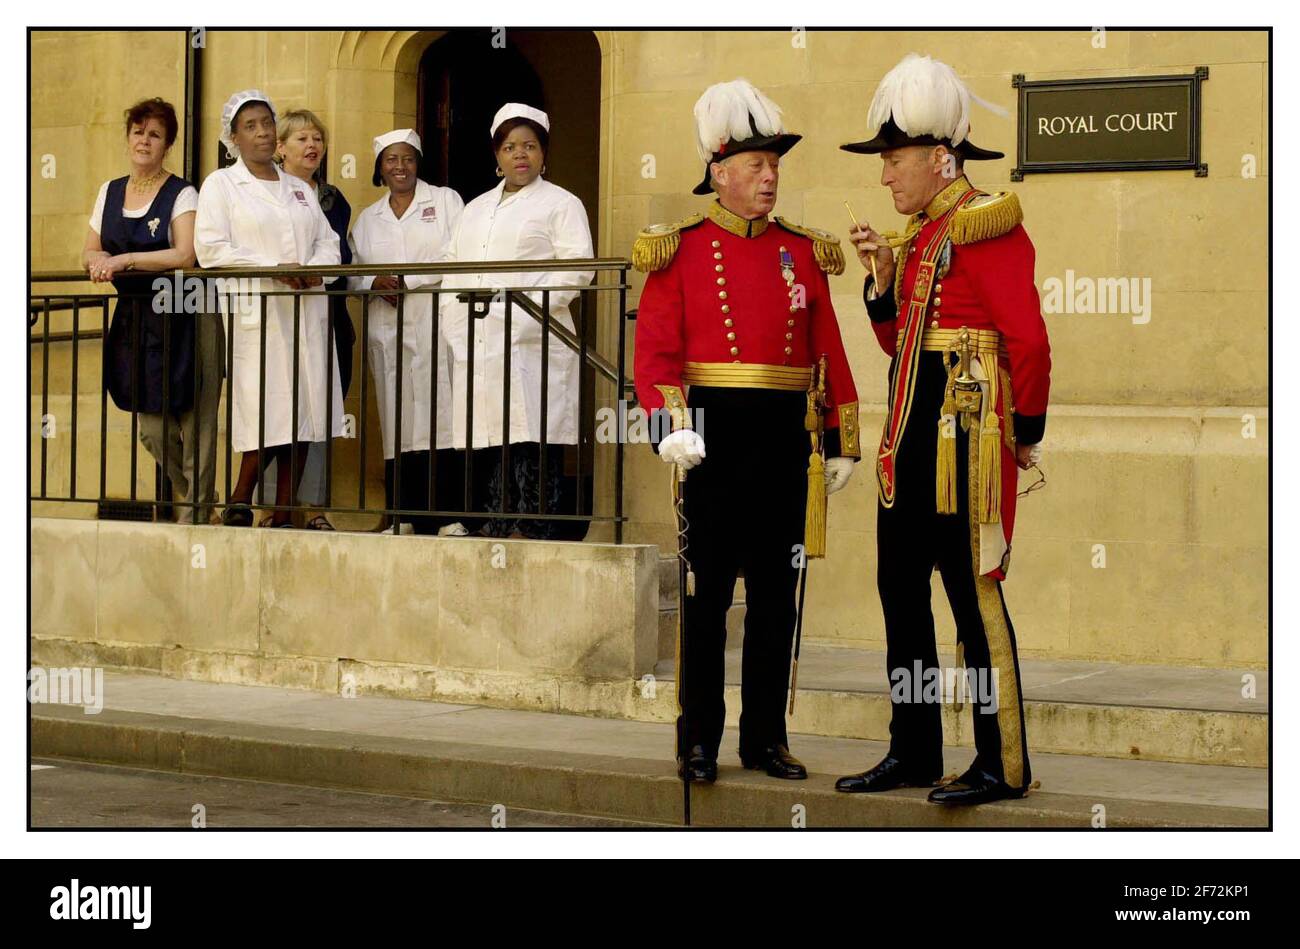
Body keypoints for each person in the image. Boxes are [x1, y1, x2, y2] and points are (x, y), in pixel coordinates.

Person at [833, 54, 1052, 805]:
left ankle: (1003, 759)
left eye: (894, 162)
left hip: (965, 444)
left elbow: (1027, 339)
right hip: (912, 439)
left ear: (939, 157)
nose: (886, 178)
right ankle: (915, 744)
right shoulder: (922, 236)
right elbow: (902, 347)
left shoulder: (985, 222)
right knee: (900, 588)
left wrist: (1026, 428)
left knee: (973, 593)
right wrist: (880, 288)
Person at [633, 79, 861, 783]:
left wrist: (841, 435)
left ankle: (765, 737)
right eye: (757, 167)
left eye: (775, 167)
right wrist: (669, 423)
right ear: (719, 173)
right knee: (708, 596)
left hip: (785, 436)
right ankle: (697, 738)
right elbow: (657, 350)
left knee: (775, 593)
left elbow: (828, 347)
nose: (769, 178)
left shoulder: (802, 251)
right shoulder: (681, 248)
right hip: (714, 434)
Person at [438, 103, 594, 540]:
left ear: (544, 153)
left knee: (533, 432)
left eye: (529, 146)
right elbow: (453, 264)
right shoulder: (476, 207)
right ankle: (496, 521)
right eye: (510, 147)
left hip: (534, 336)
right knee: (490, 431)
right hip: (478, 333)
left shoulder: (561, 203)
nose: (519, 155)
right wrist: (453, 317)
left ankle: (534, 525)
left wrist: (531, 314)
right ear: (497, 154)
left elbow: (578, 267)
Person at [193, 89, 343, 527]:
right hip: (257, 314)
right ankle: (241, 499)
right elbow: (212, 248)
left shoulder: (300, 189)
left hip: (306, 311)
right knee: (265, 409)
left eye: (266, 122)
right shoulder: (221, 185)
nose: (261, 132)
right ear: (234, 138)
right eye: (249, 126)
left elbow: (327, 243)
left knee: (304, 409)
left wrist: (315, 272)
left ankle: (284, 508)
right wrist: (272, 269)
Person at [82, 96, 221, 523]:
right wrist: (97, 263)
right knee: (152, 427)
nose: (145, 140)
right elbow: (88, 250)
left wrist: (122, 260)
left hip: (184, 307)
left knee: (195, 419)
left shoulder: (183, 193)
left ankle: (197, 511)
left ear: (167, 145)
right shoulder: (109, 190)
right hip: (136, 314)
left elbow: (183, 255)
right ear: (128, 137)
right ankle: (197, 496)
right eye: (139, 131)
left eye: (155, 134)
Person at [349, 129, 464, 535]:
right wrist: (373, 283)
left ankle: (448, 515)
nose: (400, 167)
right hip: (388, 328)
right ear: (380, 168)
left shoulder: (446, 202)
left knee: (440, 416)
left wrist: (406, 280)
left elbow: (457, 255)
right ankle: (403, 515)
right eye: (391, 160)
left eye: (408, 159)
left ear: (418, 162)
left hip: (432, 321)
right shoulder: (368, 219)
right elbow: (354, 273)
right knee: (397, 419)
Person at [266, 108, 355, 530]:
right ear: (280, 147)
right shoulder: (263, 193)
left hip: (326, 317)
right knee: (275, 408)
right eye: (301, 138)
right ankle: (270, 508)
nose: (312, 145)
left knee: (317, 412)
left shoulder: (334, 198)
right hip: (278, 315)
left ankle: (313, 506)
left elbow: (343, 255)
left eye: (317, 138)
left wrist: (317, 268)